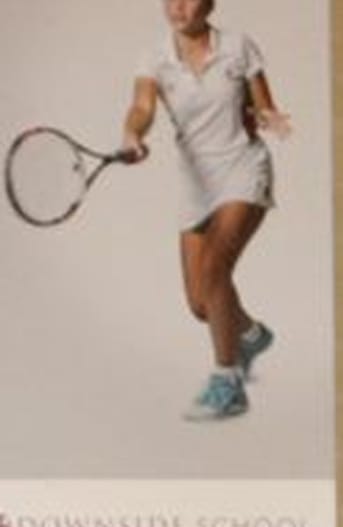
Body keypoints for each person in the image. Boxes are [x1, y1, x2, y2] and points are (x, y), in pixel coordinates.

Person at [113, 0, 293, 424]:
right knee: (200, 303)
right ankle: (251, 334)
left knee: (215, 266)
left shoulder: (239, 47)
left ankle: (227, 380)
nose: (177, 6)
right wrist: (131, 134)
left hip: (243, 170)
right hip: (197, 185)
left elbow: (264, 106)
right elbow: (142, 108)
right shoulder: (153, 57)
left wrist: (270, 120)